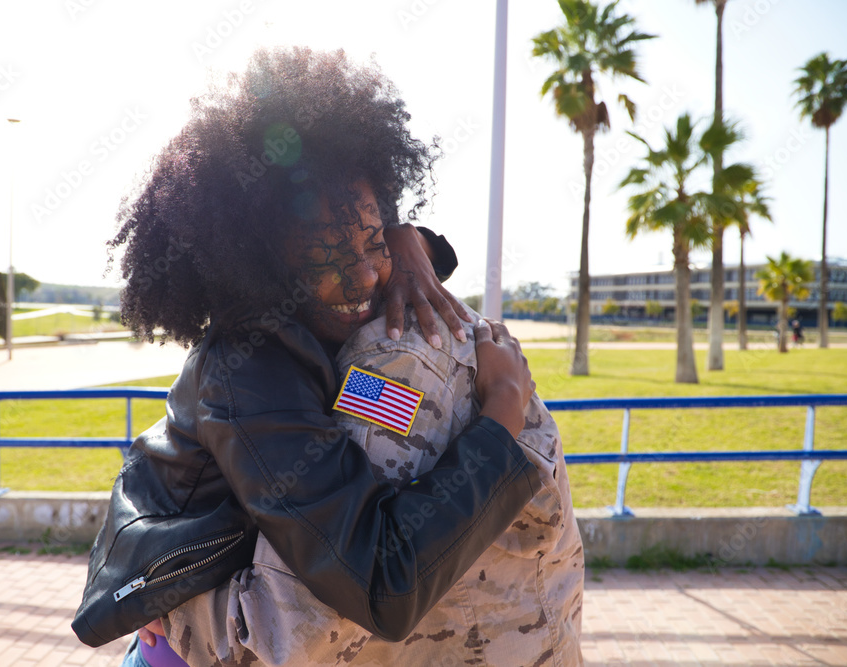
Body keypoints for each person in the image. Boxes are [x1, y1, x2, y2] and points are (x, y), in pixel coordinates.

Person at [102, 47, 545, 666]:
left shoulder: (330, 297)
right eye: (326, 259)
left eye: (372, 242)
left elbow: (364, 250)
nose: (365, 278)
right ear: (253, 268)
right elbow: (380, 583)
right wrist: (503, 416)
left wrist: (406, 240)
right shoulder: (249, 377)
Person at [144, 304, 584, 666]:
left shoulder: (390, 364)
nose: (365, 265)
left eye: (374, 234)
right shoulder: (271, 349)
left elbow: (303, 625)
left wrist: (168, 607)